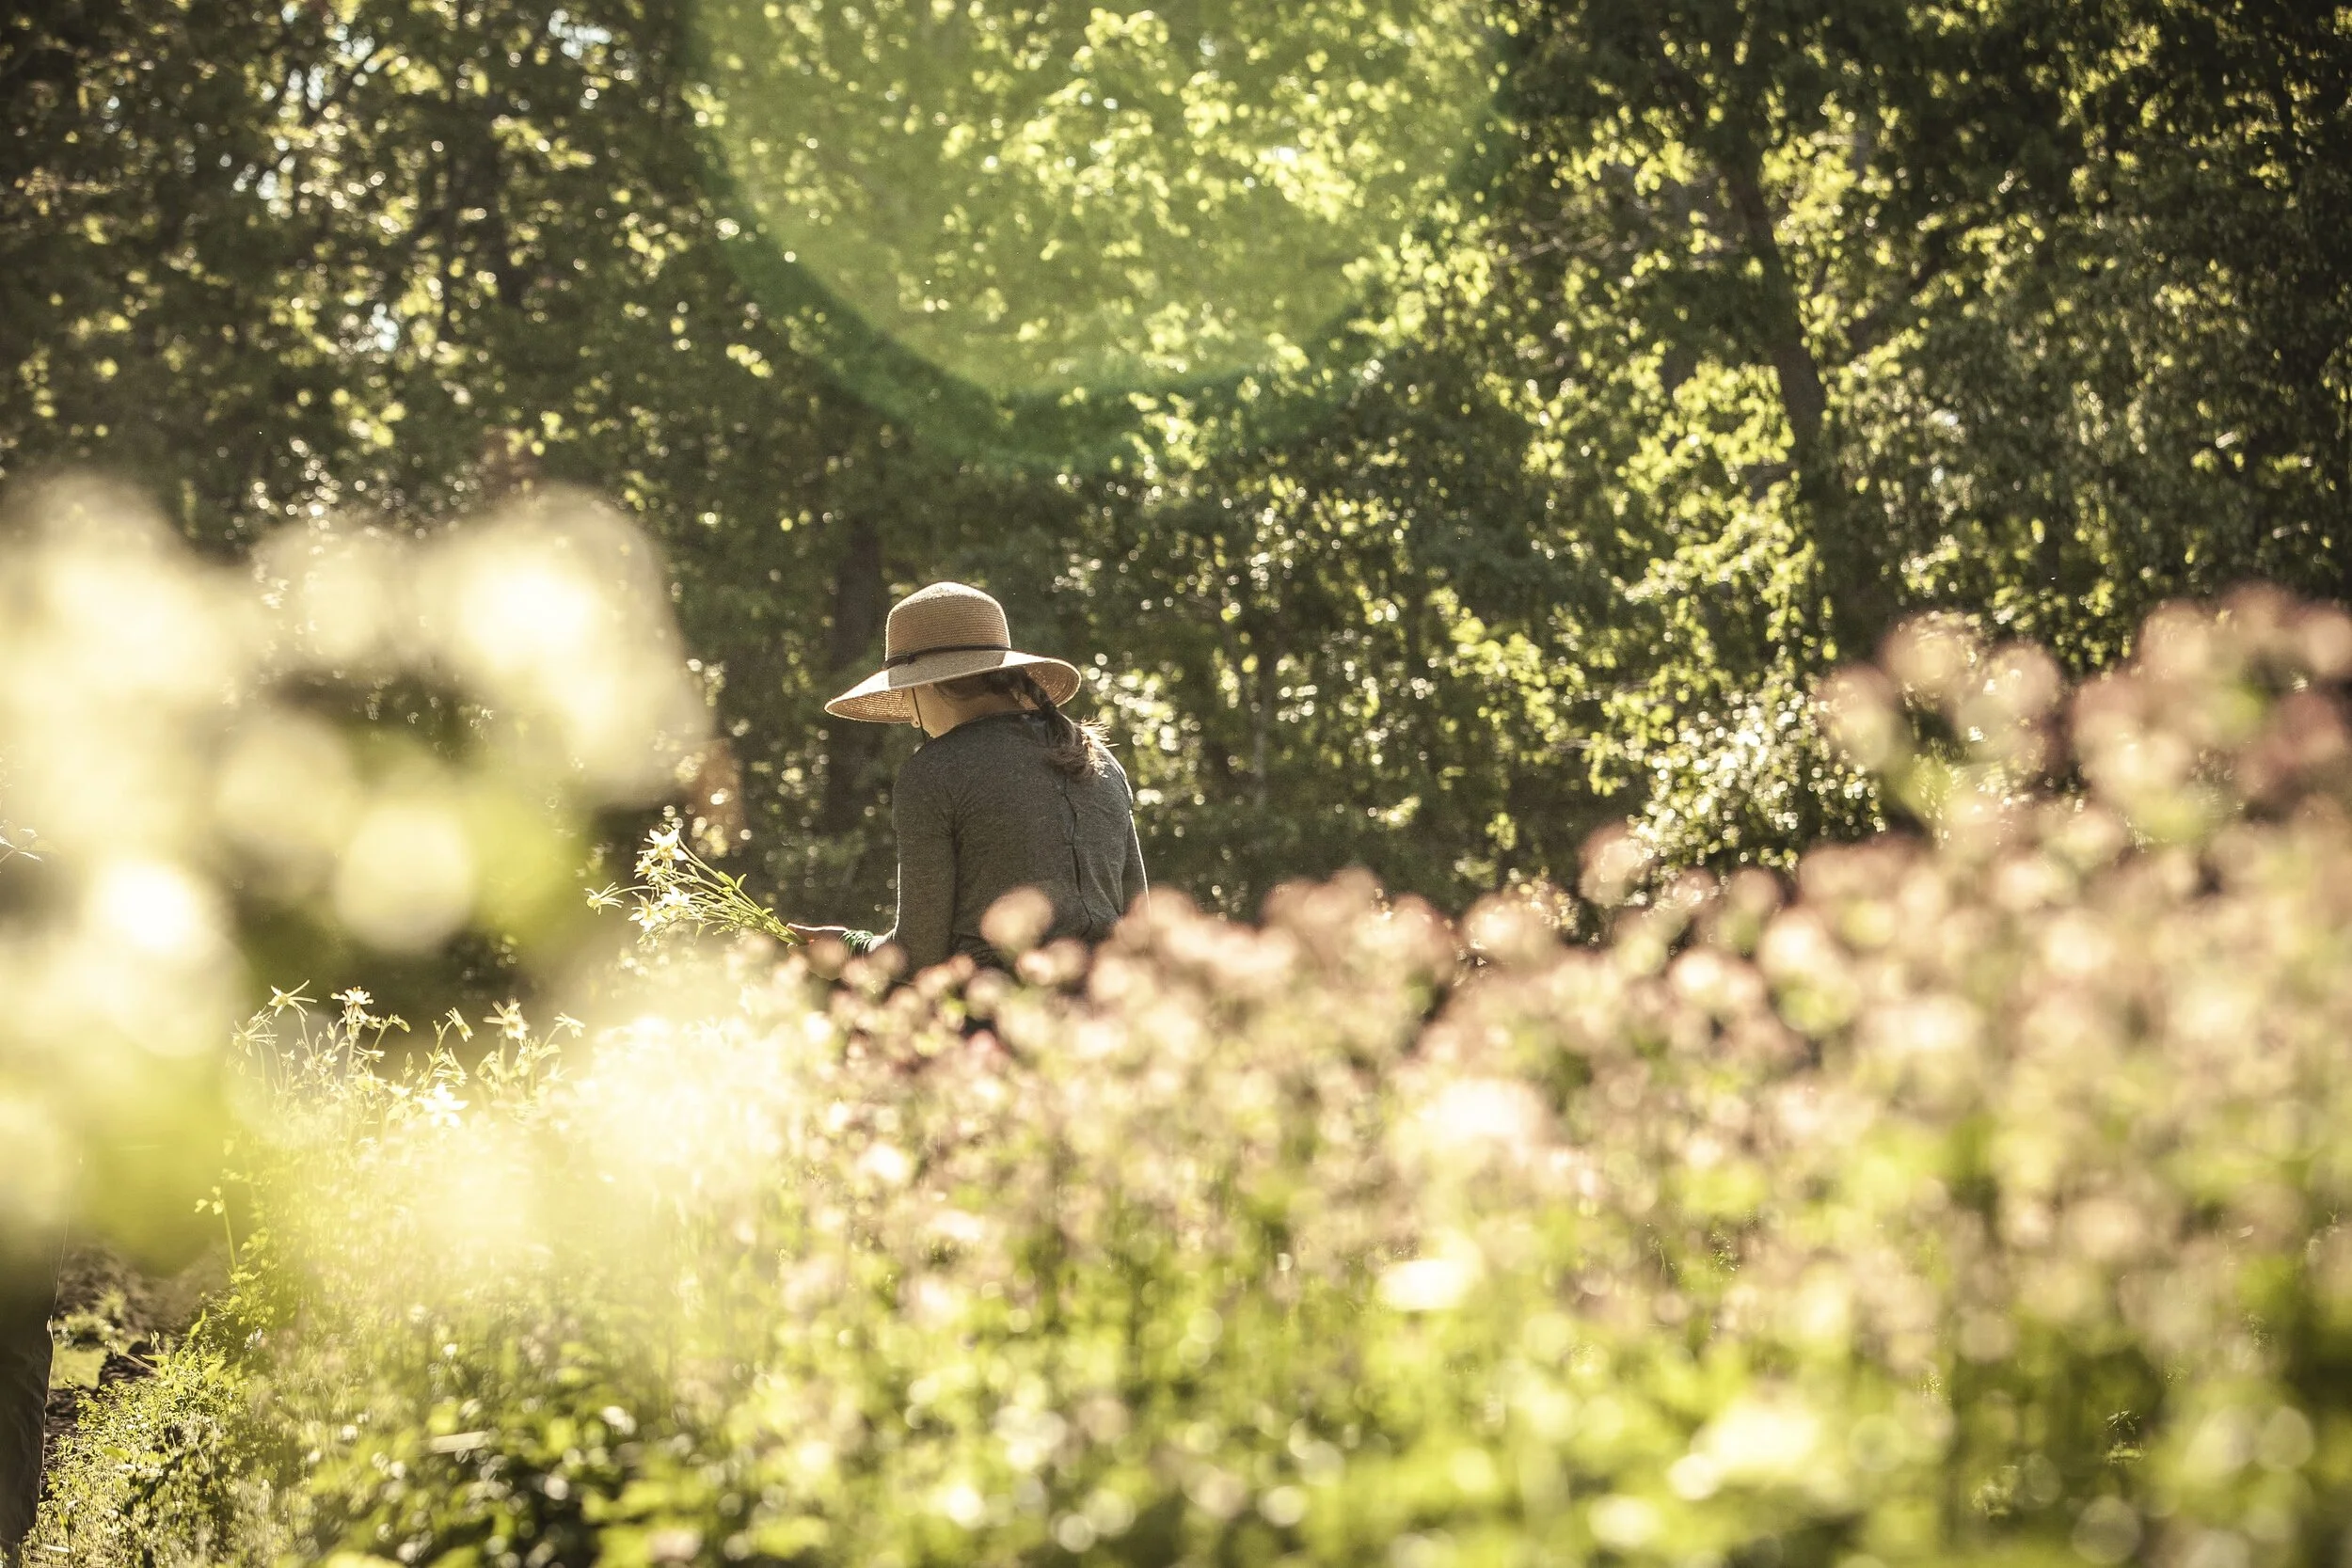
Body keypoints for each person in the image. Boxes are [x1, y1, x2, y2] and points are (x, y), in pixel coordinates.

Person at [790, 581, 1146, 970]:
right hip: (1111, 1016)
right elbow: (1140, 927)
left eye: (906, 693)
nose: (910, 716)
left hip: (996, 1016)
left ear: (926, 683)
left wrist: (850, 946)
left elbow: (917, 954)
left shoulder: (934, 773)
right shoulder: (1102, 761)